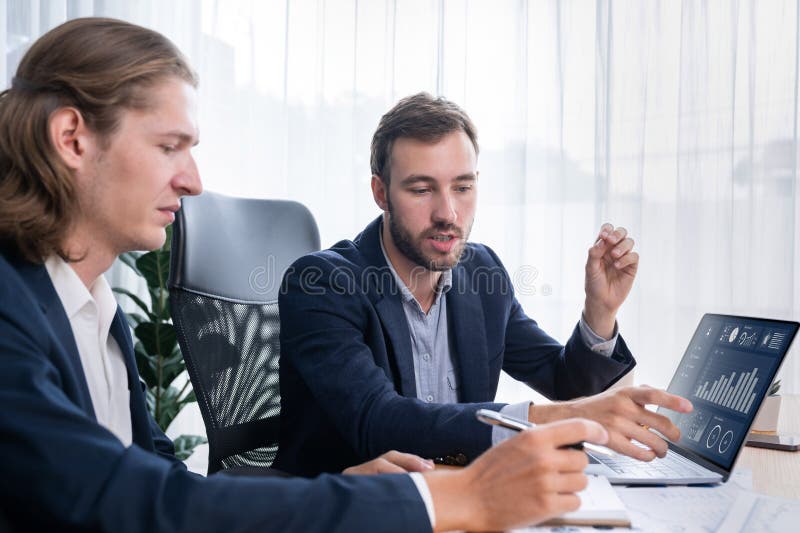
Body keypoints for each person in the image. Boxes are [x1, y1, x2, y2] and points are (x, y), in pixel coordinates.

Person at [0, 17, 614, 532]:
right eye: (169, 147)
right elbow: (131, 500)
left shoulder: (94, 306)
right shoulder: (14, 308)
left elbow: (157, 475)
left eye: (463, 186)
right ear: (73, 139)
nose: (192, 181)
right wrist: (452, 497)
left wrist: (600, 318)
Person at [276, 92, 693, 477]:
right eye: (422, 189)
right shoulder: (321, 284)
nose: (448, 213)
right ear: (381, 193)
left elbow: (565, 383)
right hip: (353, 508)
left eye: (463, 187)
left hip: (463, 497)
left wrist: (600, 311)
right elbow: (379, 422)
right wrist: (545, 422)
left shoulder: (480, 273)